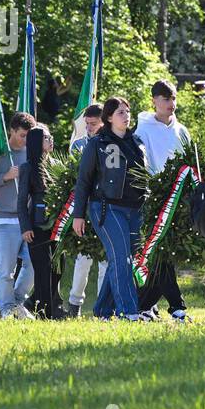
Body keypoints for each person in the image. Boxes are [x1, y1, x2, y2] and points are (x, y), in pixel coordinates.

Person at [72, 96, 148, 320]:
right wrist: (78, 215)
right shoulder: (98, 143)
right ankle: (129, 311)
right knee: (121, 258)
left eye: (127, 111)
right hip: (106, 208)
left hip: (134, 209)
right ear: (109, 117)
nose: (126, 116)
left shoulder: (137, 142)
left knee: (123, 258)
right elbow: (84, 180)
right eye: (120, 112)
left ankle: (103, 310)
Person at [134, 80, 195, 322]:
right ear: (154, 101)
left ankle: (143, 304)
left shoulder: (182, 130)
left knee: (165, 255)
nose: (172, 104)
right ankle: (177, 307)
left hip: (179, 200)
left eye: (174, 99)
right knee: (161, 253)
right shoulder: (142, 130)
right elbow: (142, 166)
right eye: (166, 99)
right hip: (155, 200)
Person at [0, 111, 37, 320]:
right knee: (5, 268)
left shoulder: (32, 154)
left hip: (27, 218)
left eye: (28, 136)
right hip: (1, 218)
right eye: (23, 135)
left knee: (33, 263)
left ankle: (16, 301)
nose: (25, 140)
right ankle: (7, 308)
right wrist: (6, 176)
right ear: (12, 130)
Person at [18, 123, 65, 319]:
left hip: (57, 225)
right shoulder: (28, 167)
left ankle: (34, 303)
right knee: (43, 269)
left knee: (58, 268)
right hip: (36, 226)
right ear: (37, 142)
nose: (50, 140)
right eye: (46, 137)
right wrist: (25, 227)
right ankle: (44, 314)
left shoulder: (57, 165)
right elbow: (21, 202)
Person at [65, 103, 104, 316]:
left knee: (106, 260)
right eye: (87, 124)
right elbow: (74, 177)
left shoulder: (110, 144)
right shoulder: (78, 145)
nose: (89, 128)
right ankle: (74, 304)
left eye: (93, 124)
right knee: (83, 260)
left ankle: (103, 305)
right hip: (85, 208)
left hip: (105, 208)